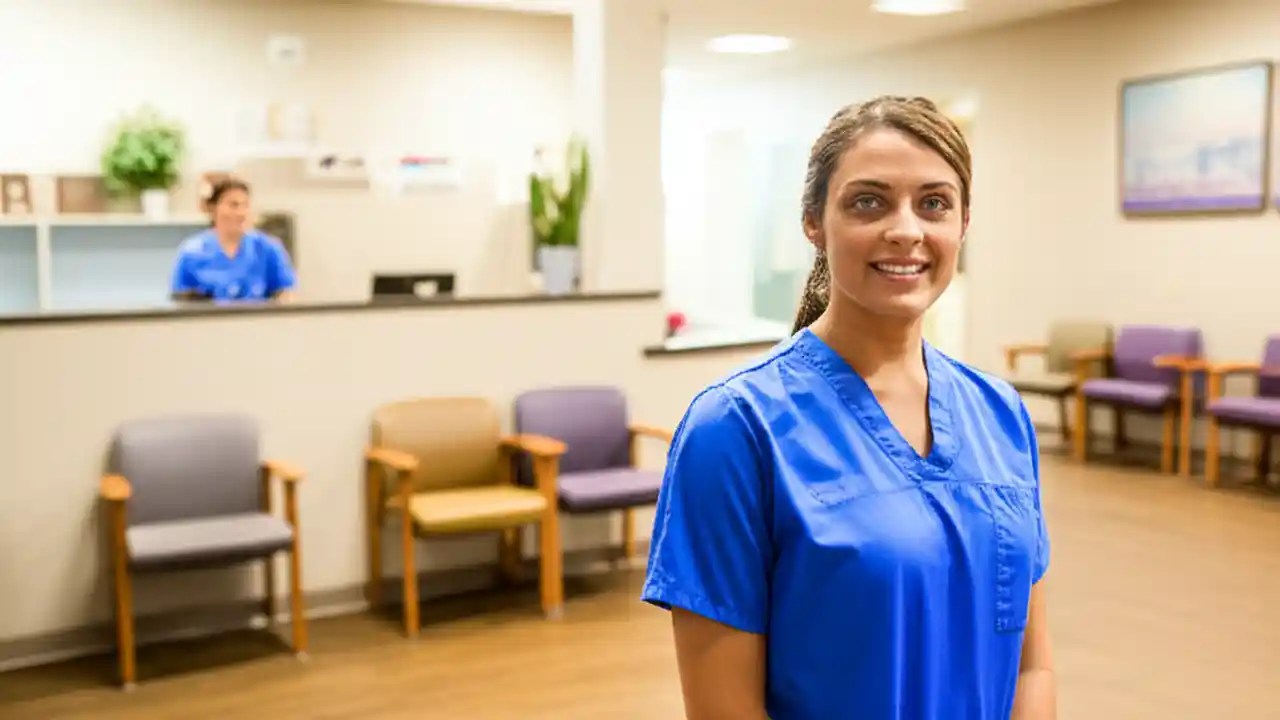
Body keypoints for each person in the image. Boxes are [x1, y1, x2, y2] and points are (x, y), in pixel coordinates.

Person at [641, 96, 1055, 719]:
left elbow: (1031, 666)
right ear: (814, 222)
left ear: (962, 224)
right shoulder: (735, 429)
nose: (906, 230)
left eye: (934, 203)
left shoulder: (999, 414)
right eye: (869, 201)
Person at [170, 178, 297, 302]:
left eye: (245, 205)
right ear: (213, 209)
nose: (241, 213)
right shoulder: (192, 253)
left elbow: (285, 295)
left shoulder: (269, 249)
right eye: (233, 205)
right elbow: (181, 303)